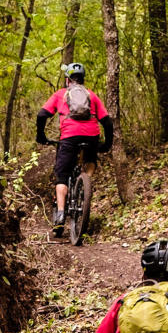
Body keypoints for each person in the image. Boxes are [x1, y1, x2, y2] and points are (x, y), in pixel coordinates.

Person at [36, 63, 113, 228]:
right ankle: (85, 187)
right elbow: (107, 121)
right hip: (92, 135)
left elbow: (42, 114)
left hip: (69, 136)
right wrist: (107, 144)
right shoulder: (91, 95)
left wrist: (41, 136)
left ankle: (61, 214)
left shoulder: (61, 94)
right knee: (91, 160)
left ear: (67, 80)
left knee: (62, 175)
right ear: (82, 79)